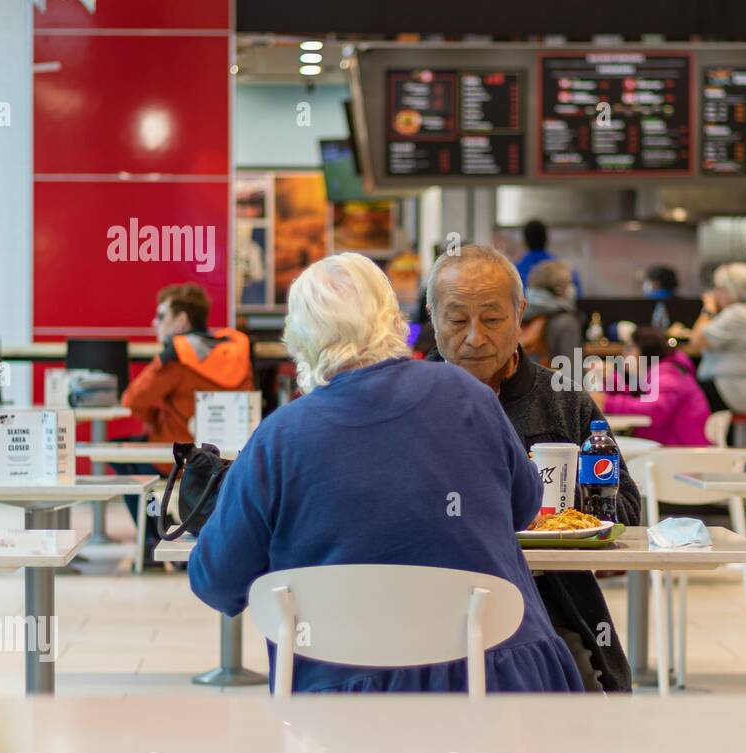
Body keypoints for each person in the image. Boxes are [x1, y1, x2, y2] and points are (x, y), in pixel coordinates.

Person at [188, 253, 583, 694]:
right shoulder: (469, 396)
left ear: (299, 338)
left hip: (346, 702)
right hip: (501, 680)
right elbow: (523, 508)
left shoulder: (279, 438)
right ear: (392, 320)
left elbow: (216, 582)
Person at [426, 244, 639, 692]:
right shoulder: (406, 401)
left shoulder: (561, 398)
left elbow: (627, 509)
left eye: (492, 318)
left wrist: (571, 508)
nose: (475, 337)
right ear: (432, 317)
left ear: (521, 313)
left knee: (586, 700)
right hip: (428, 602)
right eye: (458, 319)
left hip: (546, 603)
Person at [117, 283, 253, 560]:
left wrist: (154, 418)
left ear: (181, 320)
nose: (154, 323)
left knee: (125, 460)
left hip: (177, 458)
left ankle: (152, 541)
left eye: (161, 316)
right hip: (228, 459)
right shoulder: (238, 351)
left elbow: (133, 399)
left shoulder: (177, 356)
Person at [686, 262, 746, 415]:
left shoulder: (738, 314)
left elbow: (697, 341)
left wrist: (708, 309)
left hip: (738, 392)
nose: (715, 294)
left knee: (681, 395)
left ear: (731, 290)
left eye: (719, 288)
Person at [593, 326, 710, 446]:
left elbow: (654, 409)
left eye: (629, 348)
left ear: (644, 350)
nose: (623, 354)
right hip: (674, 447)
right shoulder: (663, 371)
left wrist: (607, 402)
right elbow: (636, 398)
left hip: (680, 451)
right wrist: (610, 381)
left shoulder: (667, 375)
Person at [522, 260, 582, 367]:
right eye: (569, 284)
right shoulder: (567, 322)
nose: (572, 289)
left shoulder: (521, 311)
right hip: (552, 382)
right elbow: (573, 371)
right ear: (559, 289)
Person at [514, 219, 583, 298]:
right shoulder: (567, 272)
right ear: (546, 239)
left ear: (525, 241)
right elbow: (579, 300)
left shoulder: (514, 272)